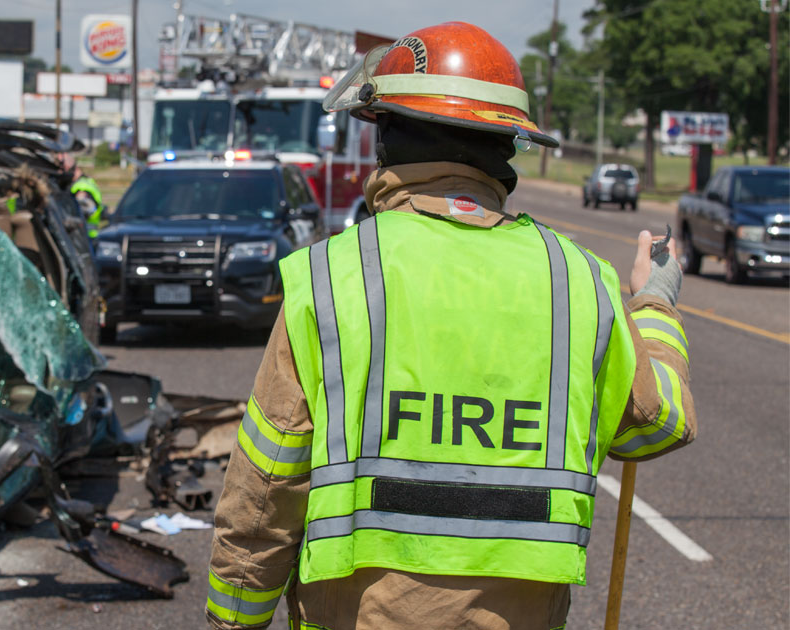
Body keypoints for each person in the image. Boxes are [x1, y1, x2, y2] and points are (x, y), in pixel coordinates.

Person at [206, 22, 695, 630]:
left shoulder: (334, 276)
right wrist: (653, 304)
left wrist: (234, 622)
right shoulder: (578, 280)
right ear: (507, 146)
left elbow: (266, 493)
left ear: (389, 137)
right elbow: (657, 423)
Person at [70, 165, 104, 238]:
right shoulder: (89, 181)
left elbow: (85, 208)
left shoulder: (81, 185)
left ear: (77, 170)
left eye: (72, 170)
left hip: (84, 236)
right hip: (92, 233)